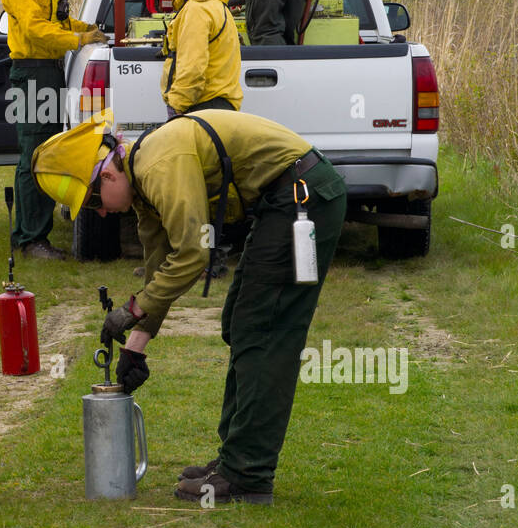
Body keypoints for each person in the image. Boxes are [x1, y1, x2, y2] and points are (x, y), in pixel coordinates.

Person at [32, 109, 346, 505]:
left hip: (303, 197)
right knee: (239, 322)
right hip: (281, 200)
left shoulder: (159, 165)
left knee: (261, 331)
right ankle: (234, 459)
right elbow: (158, 273)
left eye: (94, 201)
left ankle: (247, 475)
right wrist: (135, 346)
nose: (102, 213)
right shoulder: (143, 185)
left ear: (108, 175)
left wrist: (132, 311)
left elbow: (192, 255)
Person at [0, 0, 104, 259]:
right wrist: (77, 39)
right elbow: (33, 29)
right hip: (31, 72)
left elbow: (54, 20)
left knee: (44, 149)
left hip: (48, 69)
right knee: (33, 153)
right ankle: (29, 239)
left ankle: (33, 236)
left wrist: (88, 28)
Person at [144, 0, 243, 117]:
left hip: (201, 109)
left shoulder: (196, 10)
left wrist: (176, 108)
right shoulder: (214, 5)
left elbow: (192, 70)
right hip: (218, 110)